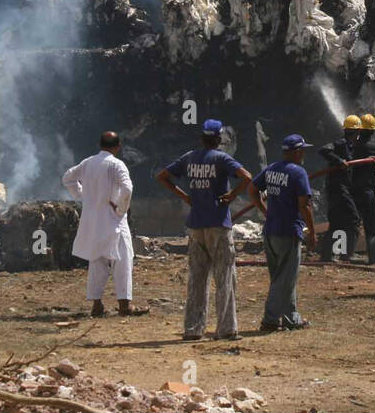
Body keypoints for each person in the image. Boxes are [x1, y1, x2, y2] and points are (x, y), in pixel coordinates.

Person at [156, 119, 253, 341]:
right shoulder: (221, 158)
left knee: (197, 279)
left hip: (196, 225)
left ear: (202, 138)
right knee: (225, 277)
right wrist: (232, 195)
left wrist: (185, 196)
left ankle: (193, 329)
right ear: (218, 139)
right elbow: (247, 177)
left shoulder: (189, 157)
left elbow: (162, 176)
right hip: (218, 224)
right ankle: (227, 329)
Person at [62, 130, 148, 317]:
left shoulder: (87, 163)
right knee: (123, 260)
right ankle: (125, 306)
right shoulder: (117, 165)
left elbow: (67, 178)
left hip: (92, 221)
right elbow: (127, 188)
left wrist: (81, 195)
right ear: (117, 147)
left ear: (100, 145)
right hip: (113, 221)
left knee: (97, 261)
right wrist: (120, 208)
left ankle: (97, 305)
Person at [251, 134, 317, 332]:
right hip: (288, 231)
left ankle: (291, 318)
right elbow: (304, 205)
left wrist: (265, 211)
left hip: (270, 231)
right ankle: (270, 320)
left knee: (282, 277)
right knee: (284, 279)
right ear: (296, 152)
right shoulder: (298, 173)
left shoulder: (271, 169)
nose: (304, 153)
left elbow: (252, 189)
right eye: (303, 150)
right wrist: (312, 231)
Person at [317, 114, 364, 262]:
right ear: (356, 132)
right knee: (353, 218)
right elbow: (323, 150)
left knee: (337, 221)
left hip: (340, 189)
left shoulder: (351, 146)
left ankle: (328, 255)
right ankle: (347, 254)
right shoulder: (340, 144)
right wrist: (339, 161)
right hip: (338, 188)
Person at [352, 113, 375, 264]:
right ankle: (374, 256)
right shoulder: (373, 147)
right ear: (373, 131)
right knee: (371, 223)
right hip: (366, 191)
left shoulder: (352, 146)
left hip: (352, 190)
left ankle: (344, 253)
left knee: (352, 222)